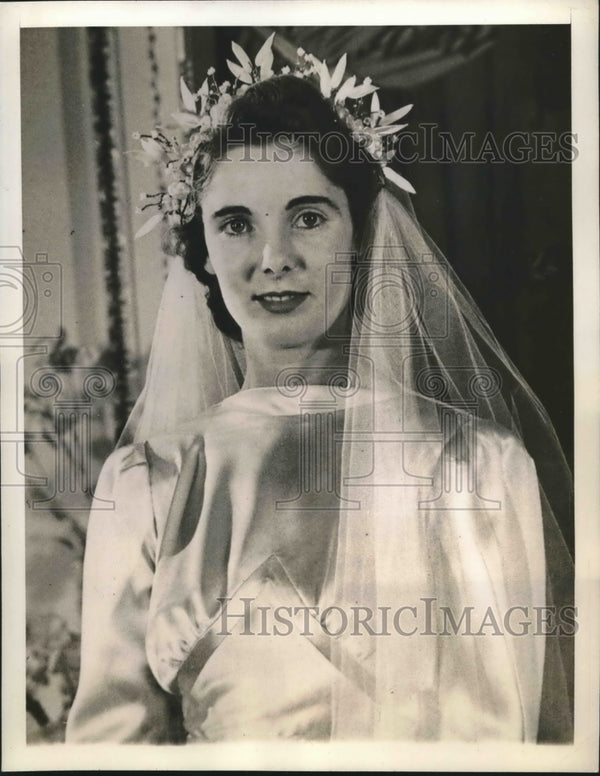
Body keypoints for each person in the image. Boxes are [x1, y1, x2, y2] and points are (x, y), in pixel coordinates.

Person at [66, 35, 574, 743]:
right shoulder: (148, 483)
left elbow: (508, 742)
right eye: (236, 224)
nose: (274, 258)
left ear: (361, 236)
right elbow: (111, 750)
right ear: (202, 253)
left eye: (308, 217)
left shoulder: (479, 469)